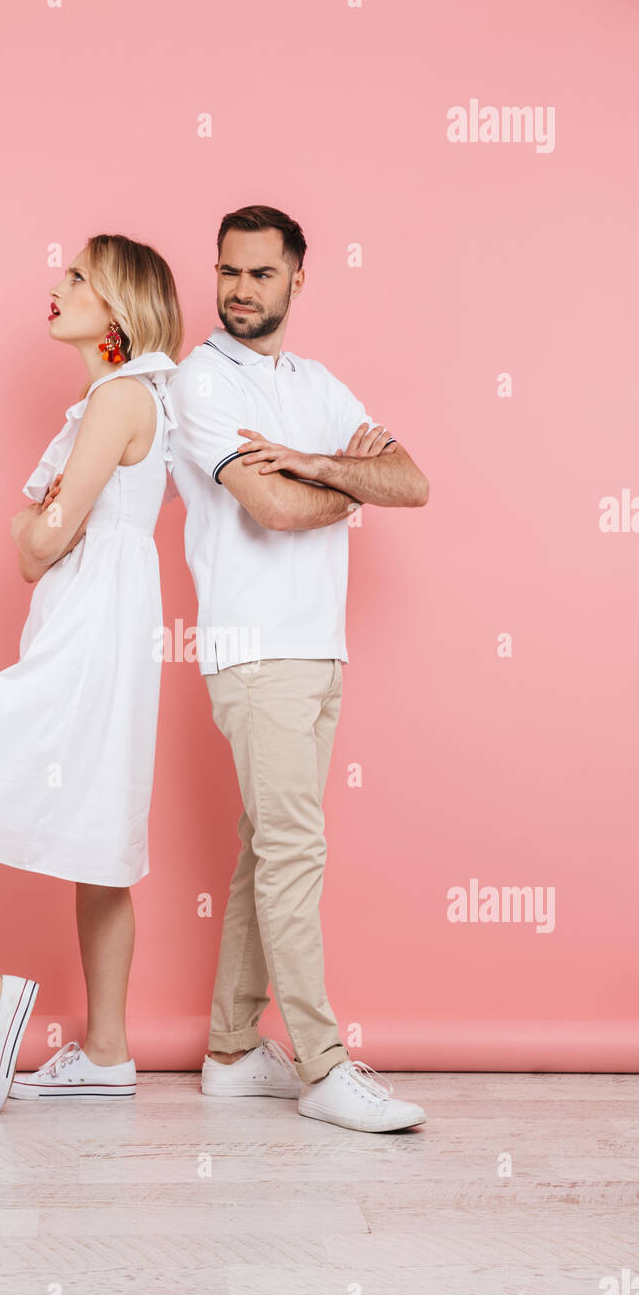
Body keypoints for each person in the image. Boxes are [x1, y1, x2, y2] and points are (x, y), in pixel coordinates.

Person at [0, 234, 183, 1112]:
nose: (57, 286)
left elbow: (41, 539)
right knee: (103, 847)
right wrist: (40, 525)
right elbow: (54, 526)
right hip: (109, 637)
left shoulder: (117, 398)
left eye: (79, 277)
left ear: (117, 311)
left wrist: (28, 529)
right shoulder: (129, 398)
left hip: (83, 642)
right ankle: (110, 1053)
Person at [166, 205, 430, 1133]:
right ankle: (323, 1066)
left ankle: (233, 1053)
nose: (240, 290)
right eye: (228, 273)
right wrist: (348, 490)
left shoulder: (317, 385)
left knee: (260, 854)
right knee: (292, 854)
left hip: (320, 647)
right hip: (254, 649)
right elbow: (269, 511)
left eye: (261, 275)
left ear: (296, 280)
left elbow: (413, 480)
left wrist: (322, 466)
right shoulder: (201, 384)